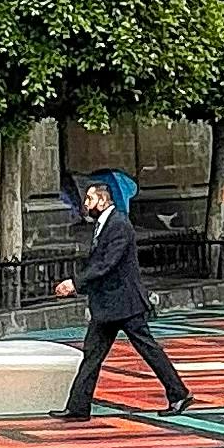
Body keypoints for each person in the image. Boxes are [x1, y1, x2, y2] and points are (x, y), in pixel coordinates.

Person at [53, 173, 192, 419]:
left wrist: (74, 284)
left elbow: (107, 263)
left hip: (125, 303)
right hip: (107, 305)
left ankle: (179, 394)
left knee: (148, 349)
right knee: (91, 356)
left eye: (89, 199)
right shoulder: (103, 224)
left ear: (102, 201)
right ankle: (78, 408)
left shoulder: (119, 223)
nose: (85, 204)